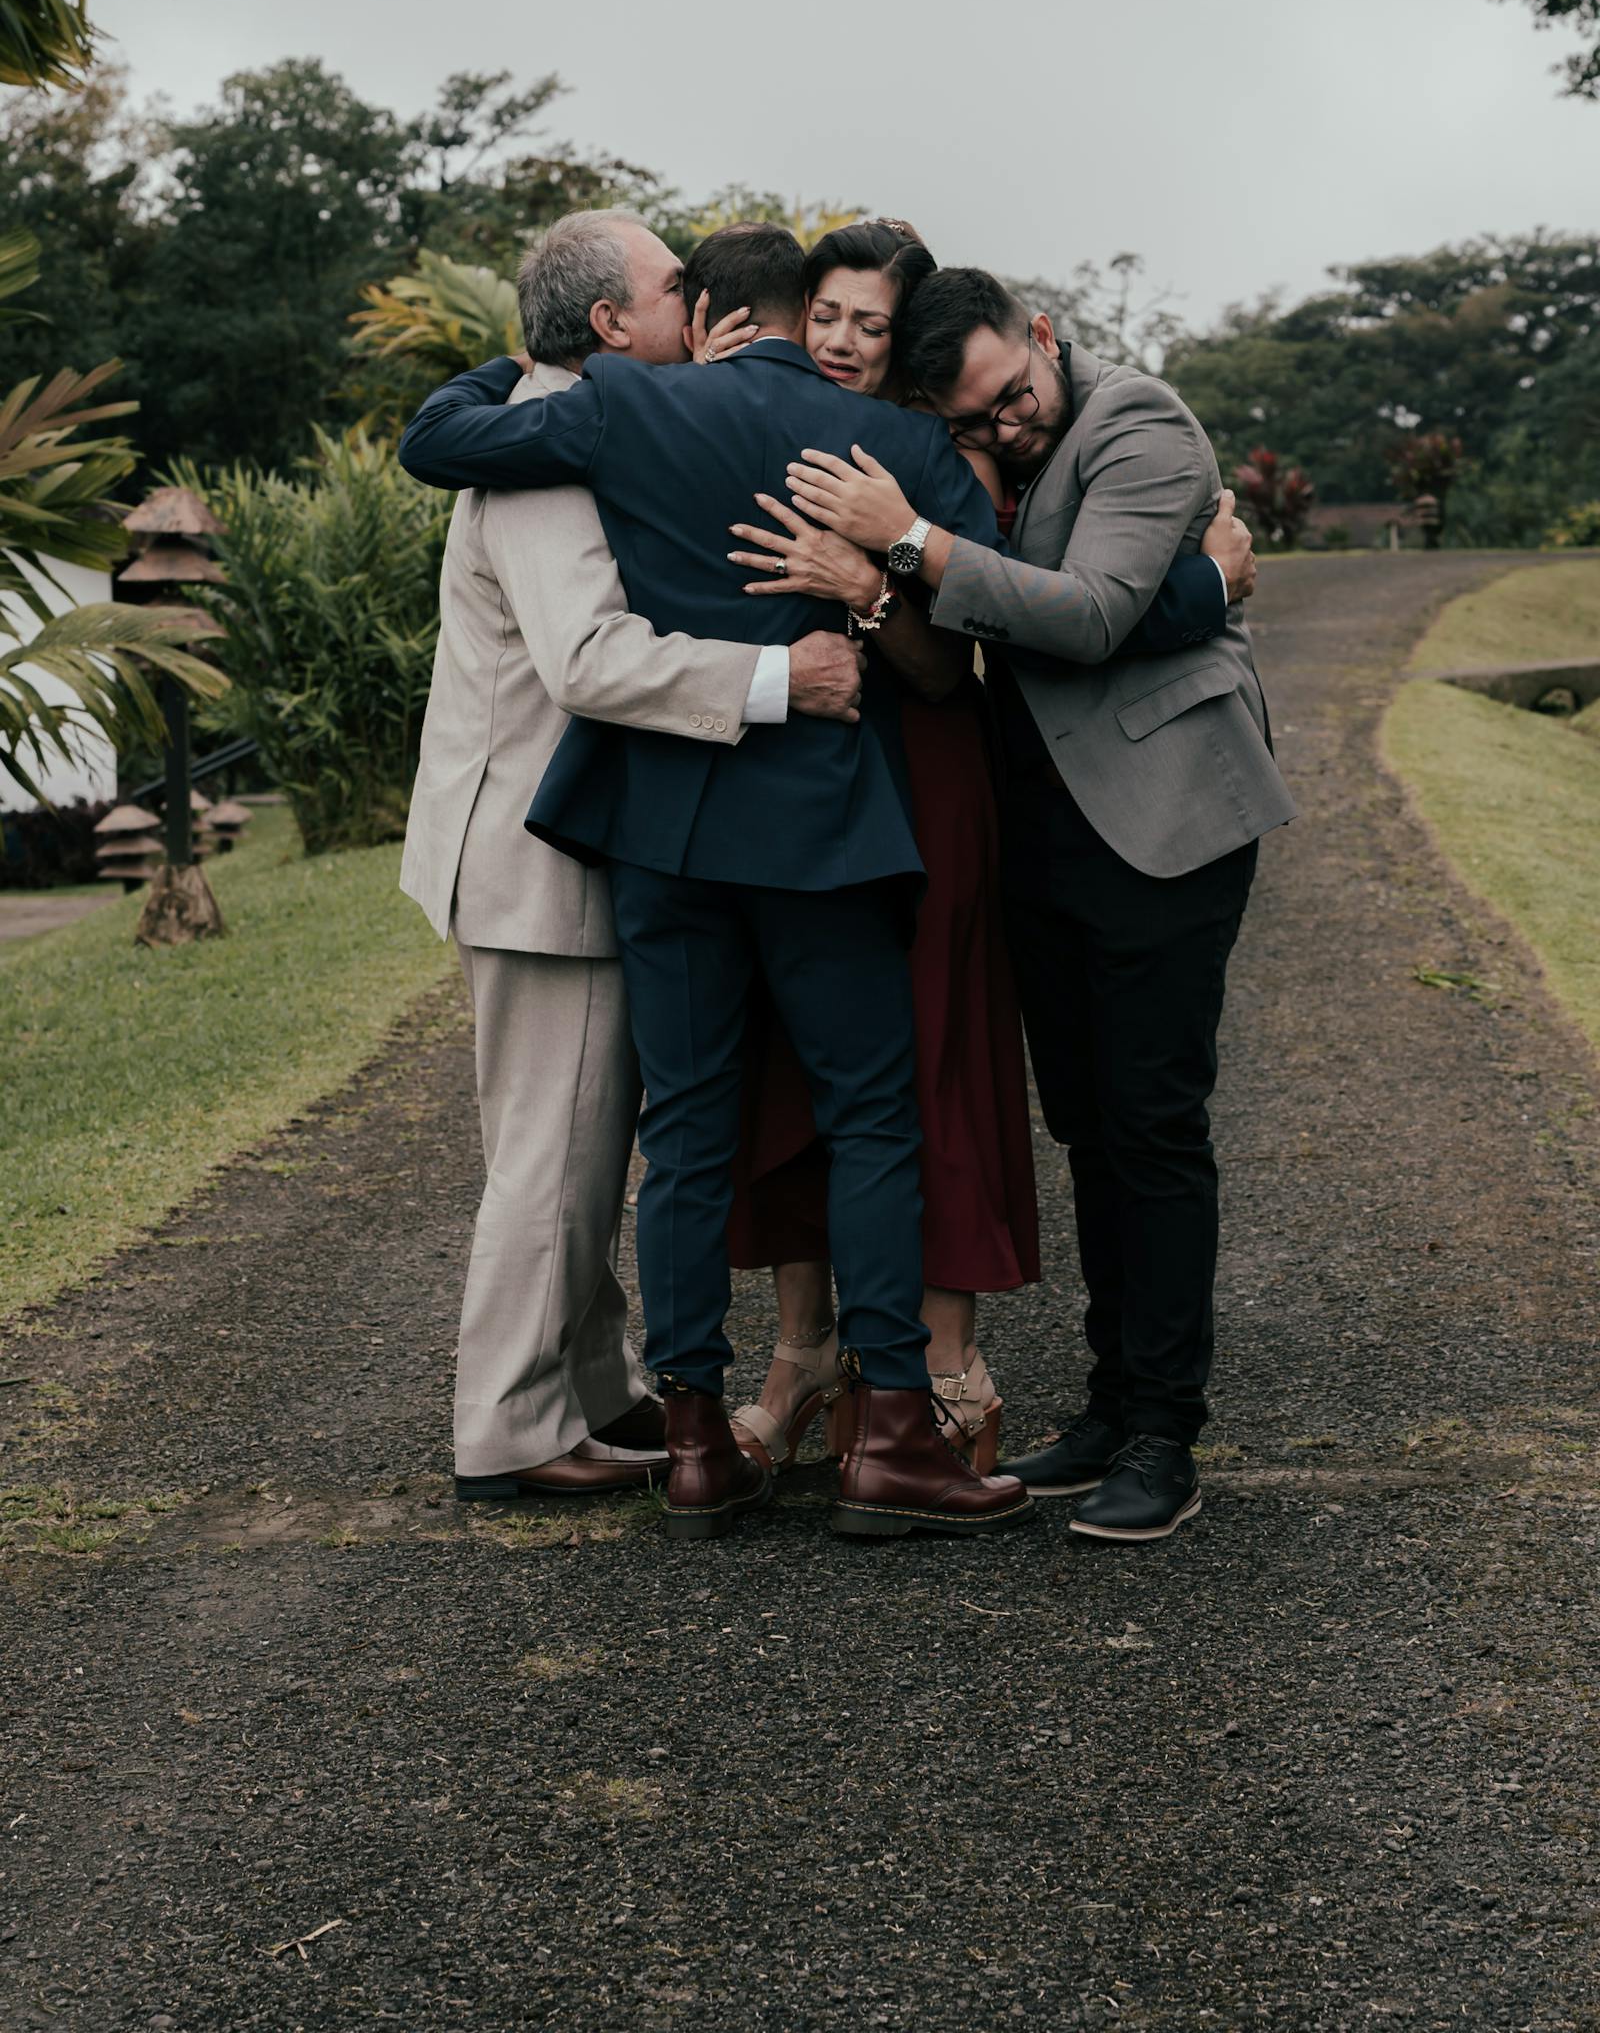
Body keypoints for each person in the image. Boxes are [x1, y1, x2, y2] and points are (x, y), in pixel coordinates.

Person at [399, 223, 1033, 1542]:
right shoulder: (897, 445)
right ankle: (892, 1436)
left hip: (668, 836)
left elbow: (452, 440)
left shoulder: (630, 409)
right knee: (872, 1121)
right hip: (822, 832)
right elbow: (986, 618)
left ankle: (694, 1441)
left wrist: (516, 362)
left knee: (683, 1133)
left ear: (707, 316)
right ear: (809, 311)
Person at [710, 221, 1252, 1480]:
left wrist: (903, 542)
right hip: (1042, 826)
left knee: (1152, 1127)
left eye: (1012, 397)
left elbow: (1087, 613)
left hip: (1159, 817)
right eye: (974, 417)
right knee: (1091, 1129)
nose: (1005, 426)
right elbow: (1024, 617)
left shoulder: (1135, 422)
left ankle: (1162, 1435)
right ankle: (1114, 1407)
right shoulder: (960, 447)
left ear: (1042, 334)